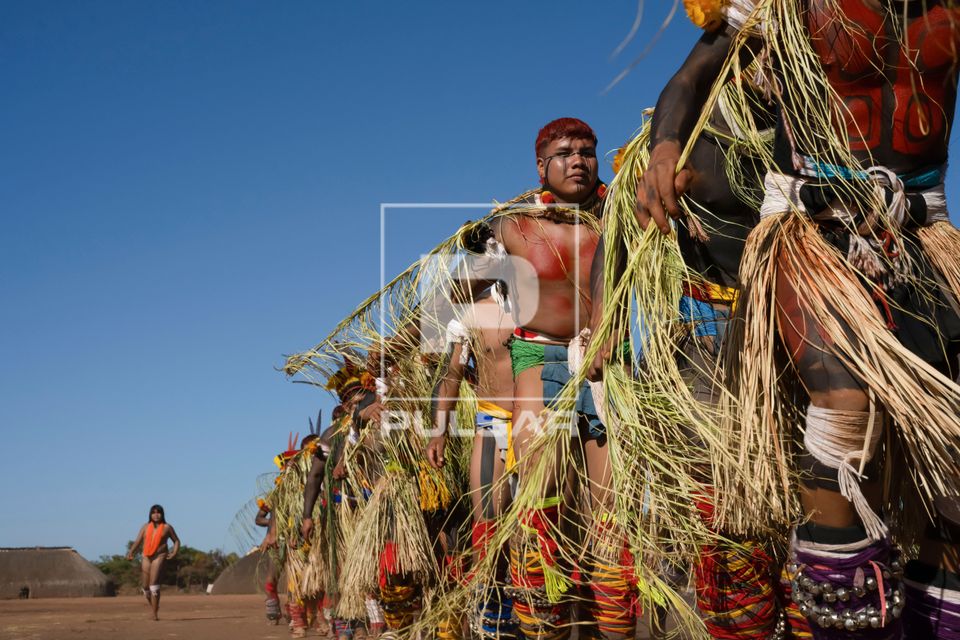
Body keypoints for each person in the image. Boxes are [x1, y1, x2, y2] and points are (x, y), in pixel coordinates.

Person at [632, 2, 960, 638]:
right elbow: (689, 77)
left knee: (951, 452)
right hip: (813, 227)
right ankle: (844, 622)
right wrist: (665, 146)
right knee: (843, 408)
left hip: (923, 236)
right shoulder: (780, 3)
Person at [426, 289, 518, 639]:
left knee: (535, 530)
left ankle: (538, 616)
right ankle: (493, 623)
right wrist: (439, 432)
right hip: (492, 424)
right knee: (489, 533)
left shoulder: (548, 299)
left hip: (542, 427)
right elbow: (452, 374)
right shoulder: (472, 317)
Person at [126, 504, 180, 621]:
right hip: (146, 556)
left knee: (153, 586)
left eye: (158, 512)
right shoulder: (145, 527)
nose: (156, 515)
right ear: (150, 514)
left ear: (162, 514)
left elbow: (176, 541)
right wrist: (131, 551)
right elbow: (138, 541)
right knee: (145, 588)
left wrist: (174, 552)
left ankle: (154, 614)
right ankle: (155, 606)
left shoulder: (167, 527)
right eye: (153, 512)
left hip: (159, 556)